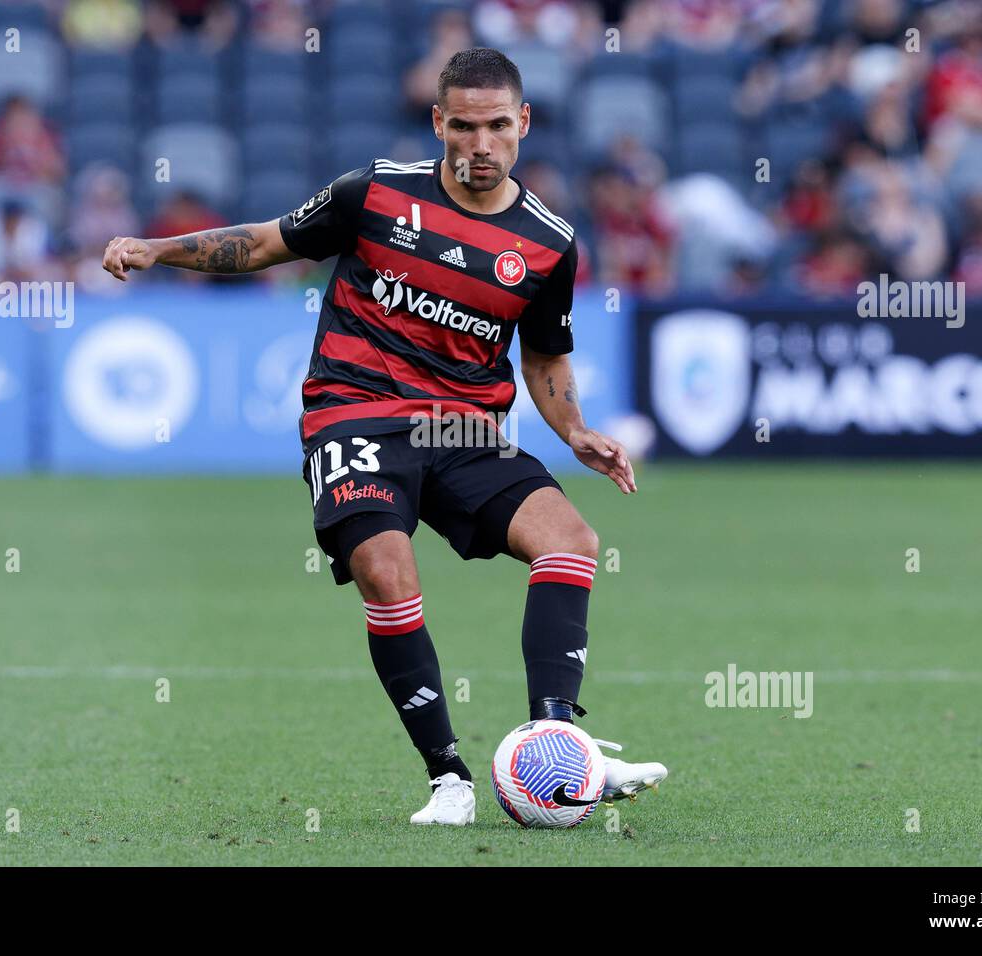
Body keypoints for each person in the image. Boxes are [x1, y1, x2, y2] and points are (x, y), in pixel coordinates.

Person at [101, 48, 666, 826]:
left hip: (464, 425)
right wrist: (159, 249)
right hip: (356, 409)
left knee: (570, 540)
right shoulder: (373, 194)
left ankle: (560, 745)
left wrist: (573, 429)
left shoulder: (548, 242)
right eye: (463, 126)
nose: (480, 145)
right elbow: (264, 243)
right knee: (386, 569)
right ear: (438, 122)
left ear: (524, 124)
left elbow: (543, 353)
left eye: (498, 126)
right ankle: (450, 780)